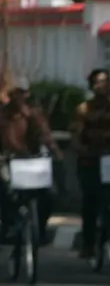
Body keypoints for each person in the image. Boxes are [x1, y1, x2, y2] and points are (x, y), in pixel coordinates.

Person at [0, 76, 59, 244]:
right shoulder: (3, 116)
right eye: (16, 93)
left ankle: (40, 229)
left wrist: (54, 151)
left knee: (50, 193)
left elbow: (45, 134)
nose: (19, 97)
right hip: (8, 160)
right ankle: (8, 225)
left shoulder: (33, 114)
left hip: (31, 161)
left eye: (22, 93)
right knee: (5, 190)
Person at [73, 68, 110, 259]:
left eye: (104, 82)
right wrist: (84, 150)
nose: (101, 86)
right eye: (97, 82)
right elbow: (77, 136)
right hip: (90, 160)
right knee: (90, 201)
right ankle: (88, 243)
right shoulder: (84, 109)